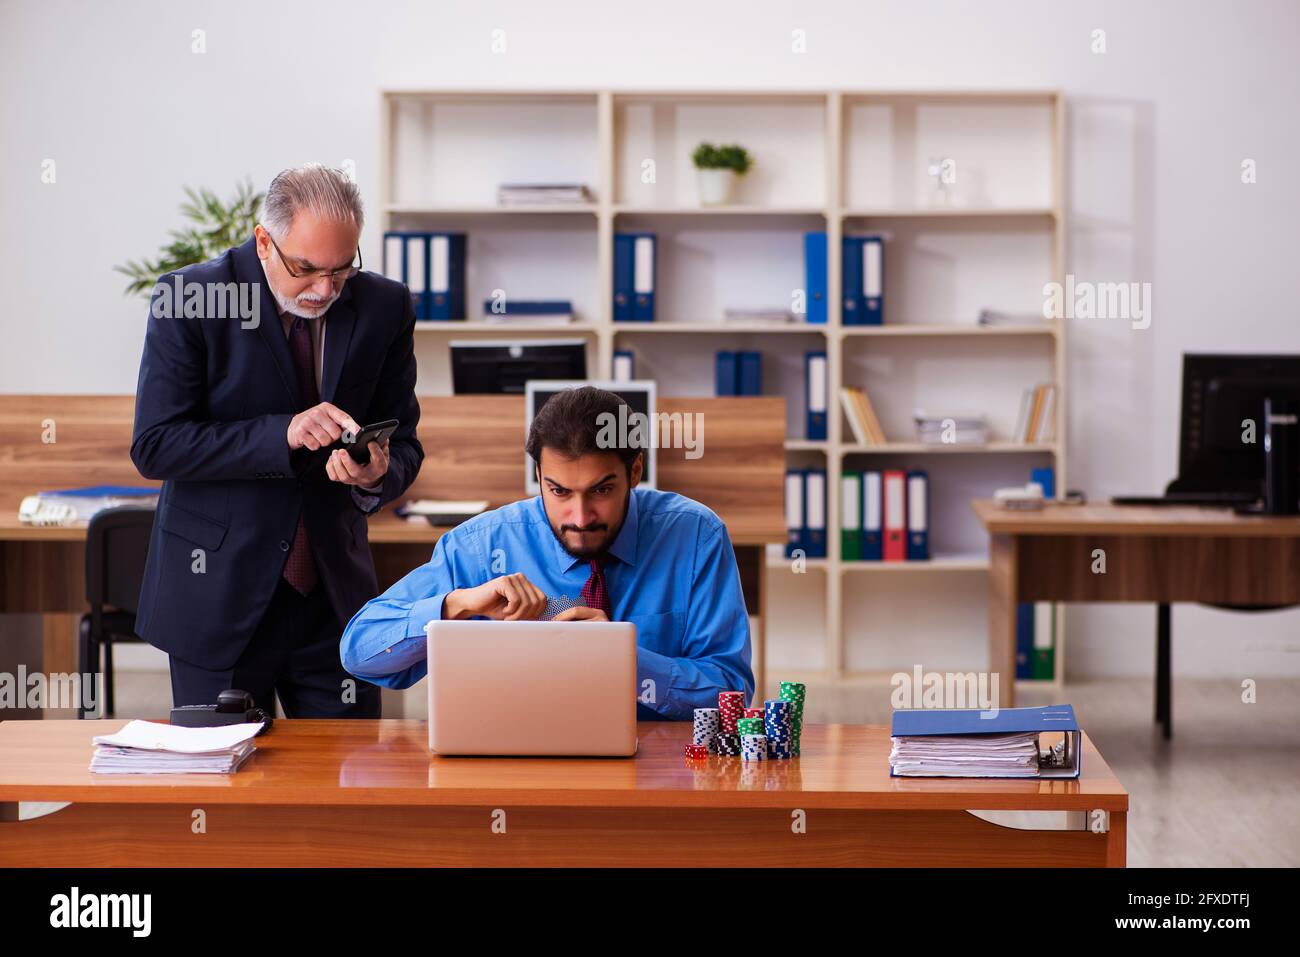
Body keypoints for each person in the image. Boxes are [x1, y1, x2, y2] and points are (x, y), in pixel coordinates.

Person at [131, 164, 423, 718]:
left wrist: (376, 474)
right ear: (265, 241)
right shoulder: (191, 296)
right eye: (307, 270)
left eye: (341, 271)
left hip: (336, 603)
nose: (324, 290)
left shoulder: (385, 306)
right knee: (223, 796)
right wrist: (281, 434)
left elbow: (405, 444)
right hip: (218, 597)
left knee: (350, 788)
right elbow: (156, 444)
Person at [340, 386, 754, 720]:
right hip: (510, 773)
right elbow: (358, 652)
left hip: (653, 775)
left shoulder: (696, 535)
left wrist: (623, 661)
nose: (580, 516)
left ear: (635, 472)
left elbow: (731, 692)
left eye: (602, 490)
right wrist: (455, 607)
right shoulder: (482, 545)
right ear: (537, 475)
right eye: (558, 491)